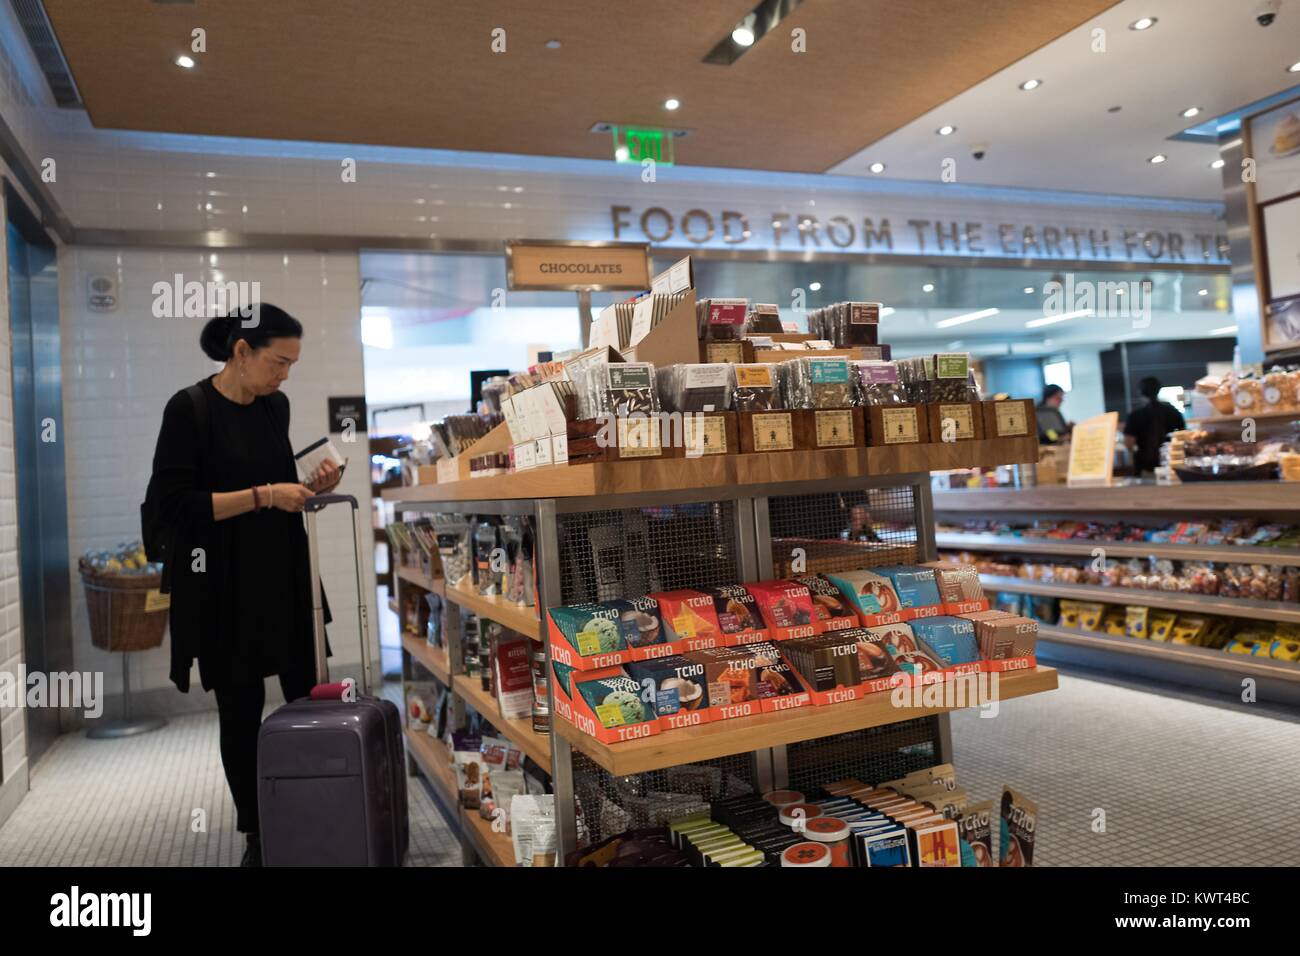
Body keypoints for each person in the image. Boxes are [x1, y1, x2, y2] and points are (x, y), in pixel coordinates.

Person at [148, 304, 342, 867]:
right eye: (278, 361)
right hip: (220, 585)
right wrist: (264, 495)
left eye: (292, 364)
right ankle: (259, 836)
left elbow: (281, 484)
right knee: (241, 710)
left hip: (283, 572)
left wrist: (312, 484)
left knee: (311, 697)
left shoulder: (273, 406)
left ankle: (318, 811)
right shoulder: (188, 409)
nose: (285, 376)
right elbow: (175, 506)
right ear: (241, 352)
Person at [1124, 376, 1186, 475]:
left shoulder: (1135, 416)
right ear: (1159, 390)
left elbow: (1129, 444)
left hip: (1145, 467)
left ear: (1140, 392)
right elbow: (1183, 436)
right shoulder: (1173, 411)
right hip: (1170, 464)